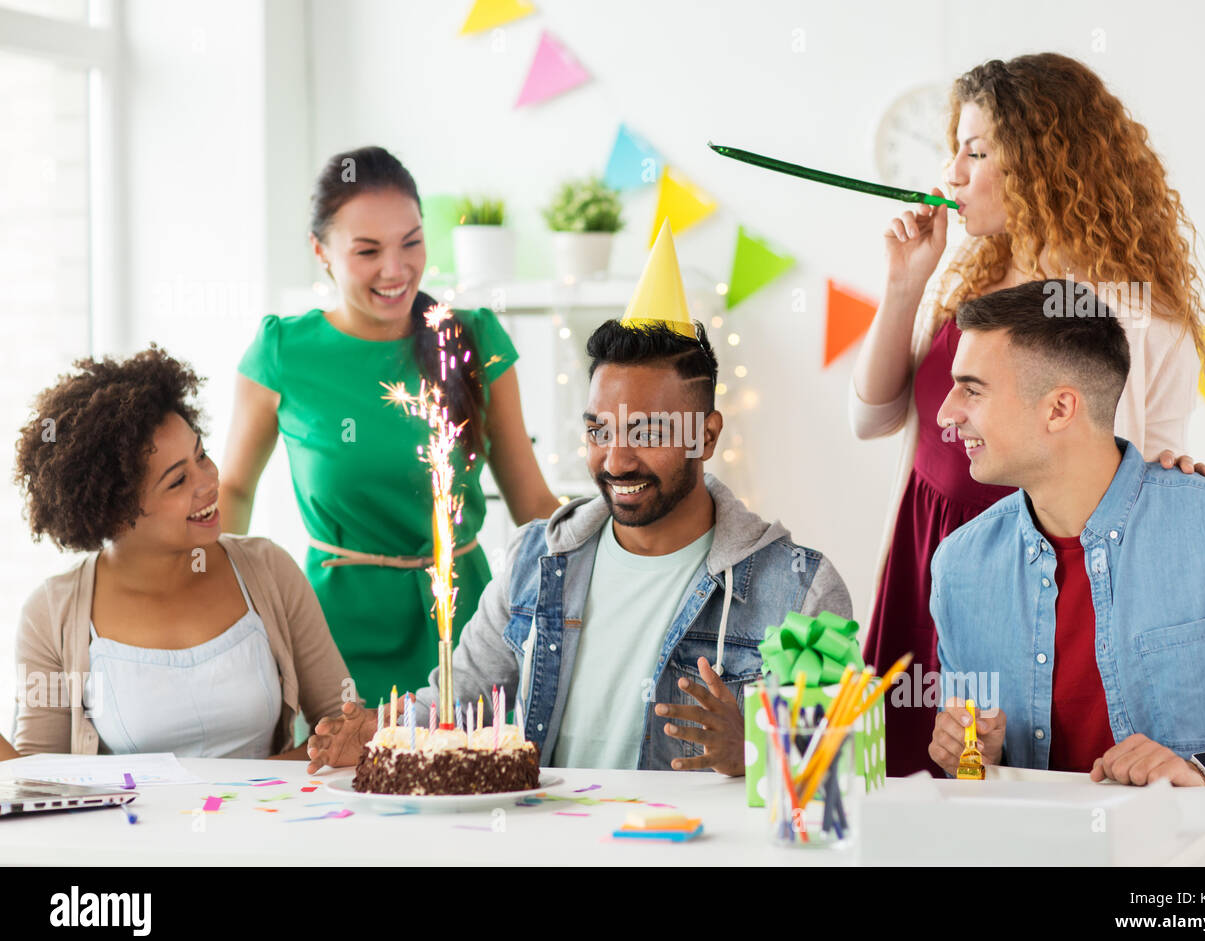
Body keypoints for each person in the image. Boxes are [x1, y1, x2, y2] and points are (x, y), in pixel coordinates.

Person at [306, 224, 852, 775]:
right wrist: (380, 731)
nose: (616, 461)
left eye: (647, 432)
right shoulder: (534, 562)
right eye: (599, 431)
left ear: (705, 436)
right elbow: (456, 702)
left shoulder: (801, 591)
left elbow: (846, 765)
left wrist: (760, 749)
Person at [850, 53, 1205, 777]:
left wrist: (1183, 481)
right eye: (951, 150)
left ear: (1043, 163)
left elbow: (1153, 466)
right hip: (930, 550)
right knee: (916, 779)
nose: (951, 174)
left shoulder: (1141, 318)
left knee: (1020, 770)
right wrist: (905, 284)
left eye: (976, 151)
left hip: (1041, 572)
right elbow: (872, 418)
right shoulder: (971, 285)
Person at [927, 282, 1205, 867]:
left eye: (971, 390)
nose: (947, 413)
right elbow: (972, 766)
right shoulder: (959, 567)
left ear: (1059, 408)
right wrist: (974, 754)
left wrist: (1202, 772)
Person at [220, 146, 559, 707]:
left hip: (467, 624)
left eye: (411, 242)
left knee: (469, 773)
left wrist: (623, 572)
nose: (396, 270)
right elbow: (233, 488)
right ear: (321, 252)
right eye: (367, 251)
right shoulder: (283, 352)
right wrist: (222, 609)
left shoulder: (473, 339)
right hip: (332, 636)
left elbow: (532, 500)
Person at [12, 348, 350, 758]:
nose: (209, 481)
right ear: (115, 512)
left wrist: (242, 797)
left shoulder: (268, 569)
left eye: (202, 455)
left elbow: (343, 726)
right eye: (177, 481)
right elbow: (37, 777)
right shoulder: (52, 614)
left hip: (269, 820)